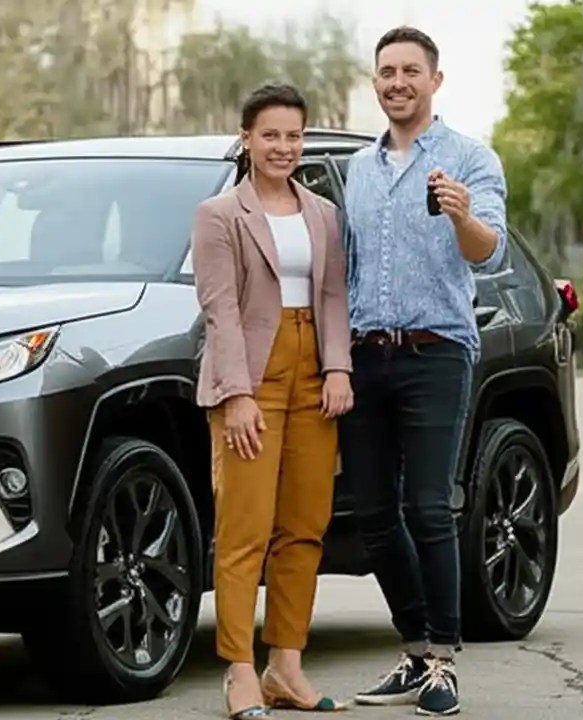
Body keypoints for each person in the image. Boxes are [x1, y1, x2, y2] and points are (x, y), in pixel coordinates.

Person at [339, 26, 508, 717]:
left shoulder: (469, 158)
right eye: (387, 71)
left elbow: (488, 255)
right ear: (375, 81)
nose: (397, 82)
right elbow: (344, 269)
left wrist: (463, 217)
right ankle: (412, 648)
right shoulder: (359, 167)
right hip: (364, 354)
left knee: (429, 507)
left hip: (436, 350)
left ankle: (444, 659)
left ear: (435, 80)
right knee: (375, 513)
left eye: (411, 70)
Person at [191, 83, 355, 719]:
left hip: (315, 374)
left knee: (304, 529)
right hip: (251, 377)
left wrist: (338, 367)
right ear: (247, 140)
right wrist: (236, 395)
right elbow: (219, 309)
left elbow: (335, 296)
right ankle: (239, 672)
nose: (283, 147)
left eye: (293, 136)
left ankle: (285, 665)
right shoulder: (218, 215)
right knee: (244, 532)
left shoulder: (322, 214)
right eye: (271, 136)